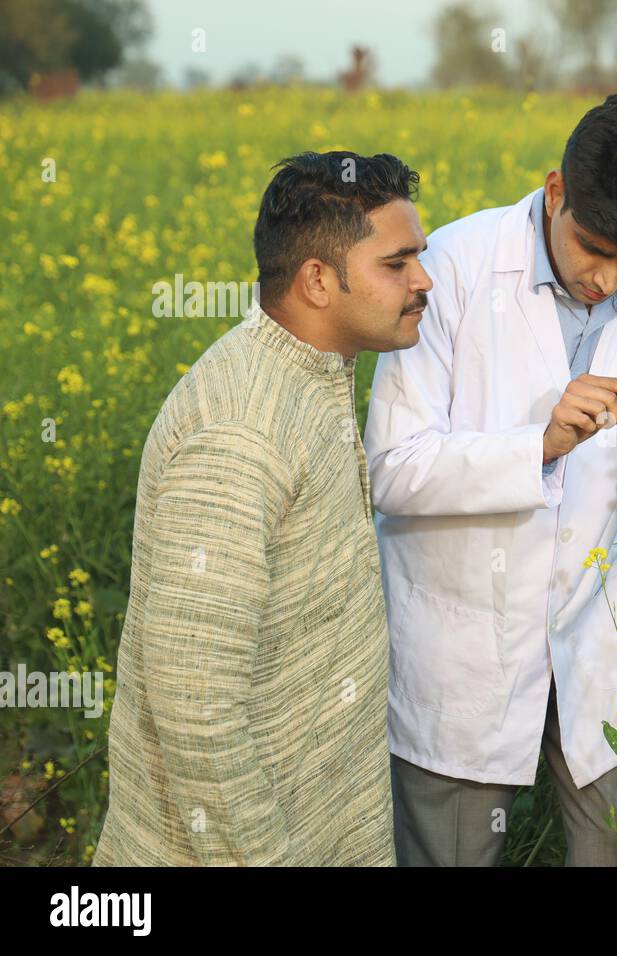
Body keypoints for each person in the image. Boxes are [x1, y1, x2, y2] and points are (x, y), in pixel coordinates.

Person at [365, 91, 617, 866]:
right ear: (554, 192)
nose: (608, 279)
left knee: (609, 851)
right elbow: (393, 470)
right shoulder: (451, 267)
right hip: (460, 645)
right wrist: (537, 444)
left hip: (595, 633)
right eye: (595, 247)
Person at [93, 151, 432, 865]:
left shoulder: (312, 375)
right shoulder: (243, 429)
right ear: (317, 280)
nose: (423, 281)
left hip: (309, 821)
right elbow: (194, 699)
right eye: (397, 264)